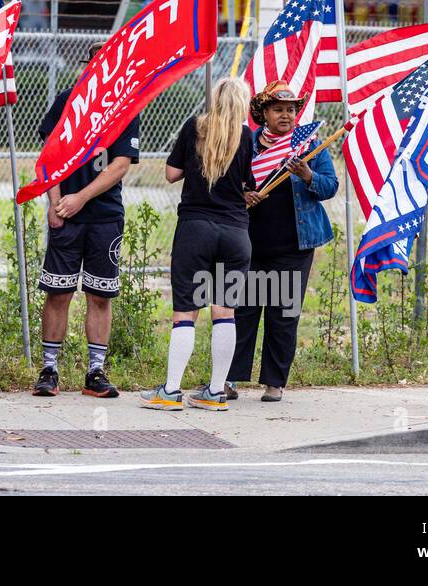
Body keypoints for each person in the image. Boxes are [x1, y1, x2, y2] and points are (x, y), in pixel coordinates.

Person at [33, 42, 139, 399]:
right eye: (96, 65)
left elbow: (120, 165)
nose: (102, 72)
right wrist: (56, 200)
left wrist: (82, 197)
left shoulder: (126, 107)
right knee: (58, 291)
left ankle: (95, 372)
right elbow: (49, 154)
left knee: (99, 295)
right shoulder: (66, 101)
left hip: (104, 215)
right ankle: (49, 369)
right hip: (66, 212)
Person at [141, 77, 253, 413]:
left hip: (196, 228)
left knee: (185, 311)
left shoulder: (195, 127)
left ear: (214, 99)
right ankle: (216, 392)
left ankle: (171, 390)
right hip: (236, 233)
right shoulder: (247, 137)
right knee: (225, 311)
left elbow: (171, 174)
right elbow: (249, 180)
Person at [226, 81, 338, 402]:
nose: (286, 115)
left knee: (283, 315)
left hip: (293, 247)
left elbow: (330, 186)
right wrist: (243, 194)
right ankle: (231, 378)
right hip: (247, 243)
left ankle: (274, 382)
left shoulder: (310, 145)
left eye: (291, 109)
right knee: (242, 311)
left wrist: (307, 175)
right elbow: (229, 181)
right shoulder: (247, 143)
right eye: (278, 109)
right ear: (263, 113)